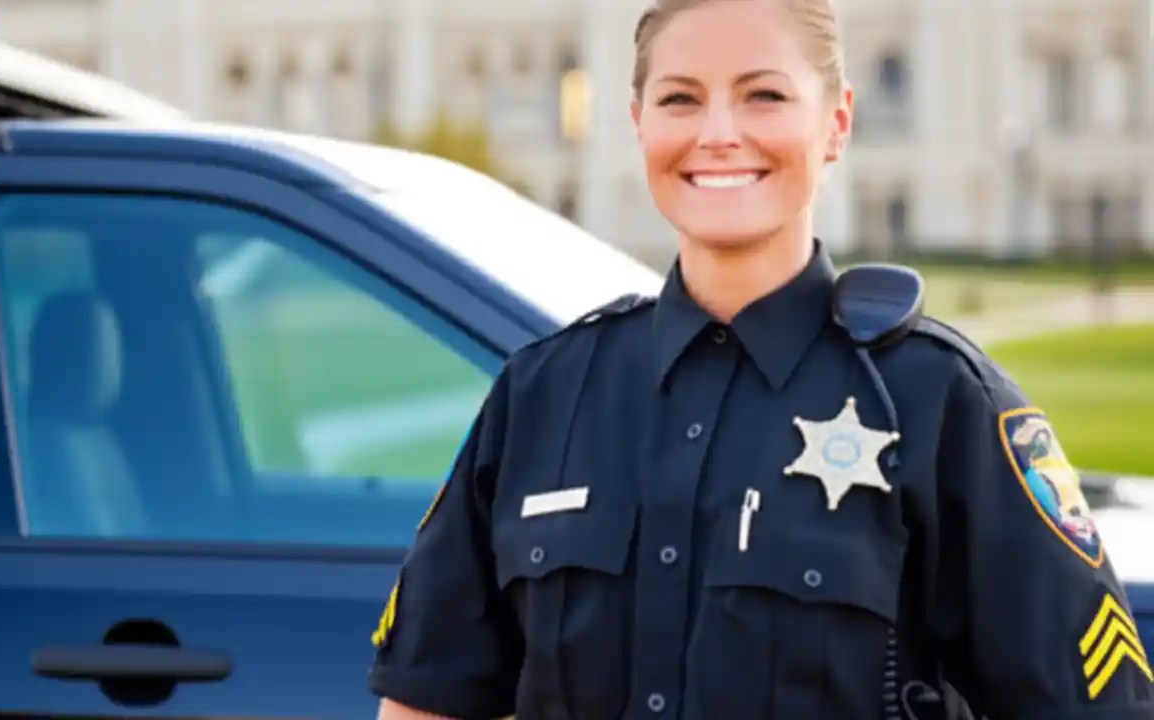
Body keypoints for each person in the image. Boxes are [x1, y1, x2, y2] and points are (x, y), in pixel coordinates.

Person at [367, 0, 1154, 717]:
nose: (718, 133)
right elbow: (425, 699)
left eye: (764, 95)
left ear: (836, 123)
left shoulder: (937, 402)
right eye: (680, 98)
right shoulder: (541, 397)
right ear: (638, 121)